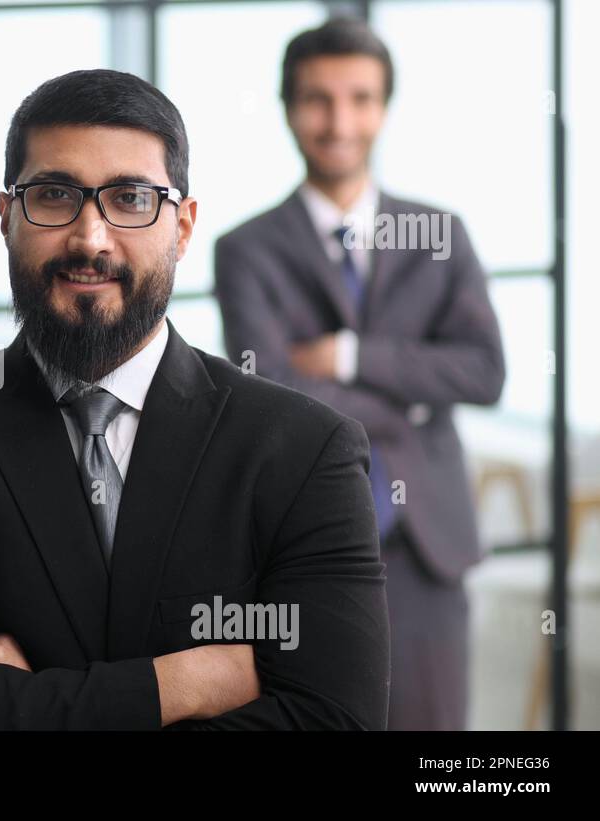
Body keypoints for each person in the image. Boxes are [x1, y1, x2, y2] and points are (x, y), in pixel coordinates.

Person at [0, 68, 389, 730]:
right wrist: (176, 683)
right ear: (6, 217)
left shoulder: (305, 450)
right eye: (53, 195)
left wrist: (25, 702)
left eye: (130, 198)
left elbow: (337, 720)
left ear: (183, 228)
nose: (90, 238)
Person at [214, 17, 504, 730]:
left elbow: (485, 371)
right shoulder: (245, 247)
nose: (340, 121)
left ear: (384, 107)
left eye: (360, 98)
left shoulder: (441, 232)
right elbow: (274, 389)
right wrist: (411, 398)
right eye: (318, 99)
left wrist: (347, 355)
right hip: (304, 541)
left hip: (425, 544)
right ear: (287, 108)